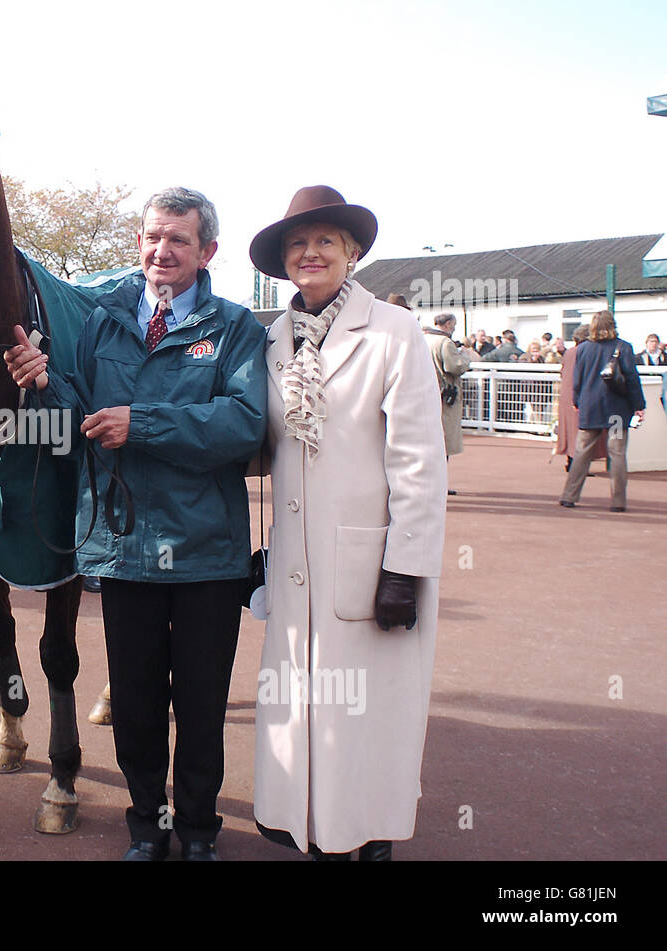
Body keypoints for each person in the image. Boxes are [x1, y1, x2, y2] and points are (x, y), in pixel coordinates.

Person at [5, 186, 267, 861]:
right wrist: (44, 383)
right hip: (124, 547)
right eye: (153, 236)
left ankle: (200, 830)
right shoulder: (103, 321)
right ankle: (146, 826)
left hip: (208, 551)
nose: (161, 250)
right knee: (139, 702)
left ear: (207, 250)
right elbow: (81, 418)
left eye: (178, 239)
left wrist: (141, 423)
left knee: (202, 705)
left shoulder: (236, 327)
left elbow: (243, 425)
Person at [247, 185, 447, 861]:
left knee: (369, 711)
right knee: (306, 706)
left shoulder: (395, 333)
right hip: (299, 559)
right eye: (297, 244)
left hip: (372, 562)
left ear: (352, 252)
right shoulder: (272, 338)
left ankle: (373, 832)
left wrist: (405, 568)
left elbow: (420, 462)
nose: (310, 253)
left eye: (325, 241)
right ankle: (308, 821)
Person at [560, 310, 645, 511]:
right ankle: (618, 501)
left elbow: (577, 380)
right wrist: (638, 406)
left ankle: (569, 496)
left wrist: (577, 401)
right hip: (616, 410)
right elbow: (632, 379)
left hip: (591, 408)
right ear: (613, 325)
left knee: (582, 452)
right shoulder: (623, 347)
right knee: (616, 453)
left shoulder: (583, 349)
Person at [425, 312, 471, 493]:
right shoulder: (444, 342)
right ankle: (439, 484)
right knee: (444, 442)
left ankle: (431, 484)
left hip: (428, 393)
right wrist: (465, 358)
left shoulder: (424, 338)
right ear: (448, 324)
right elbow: (454, 366)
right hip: (445, 397)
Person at [554, 325, 606, 471]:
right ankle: (579, 466)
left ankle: (571, 462)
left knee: (570, 432)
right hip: (581, 396)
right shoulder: (587, 352)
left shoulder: (569, 353)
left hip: (567, 397)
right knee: (582, 432)